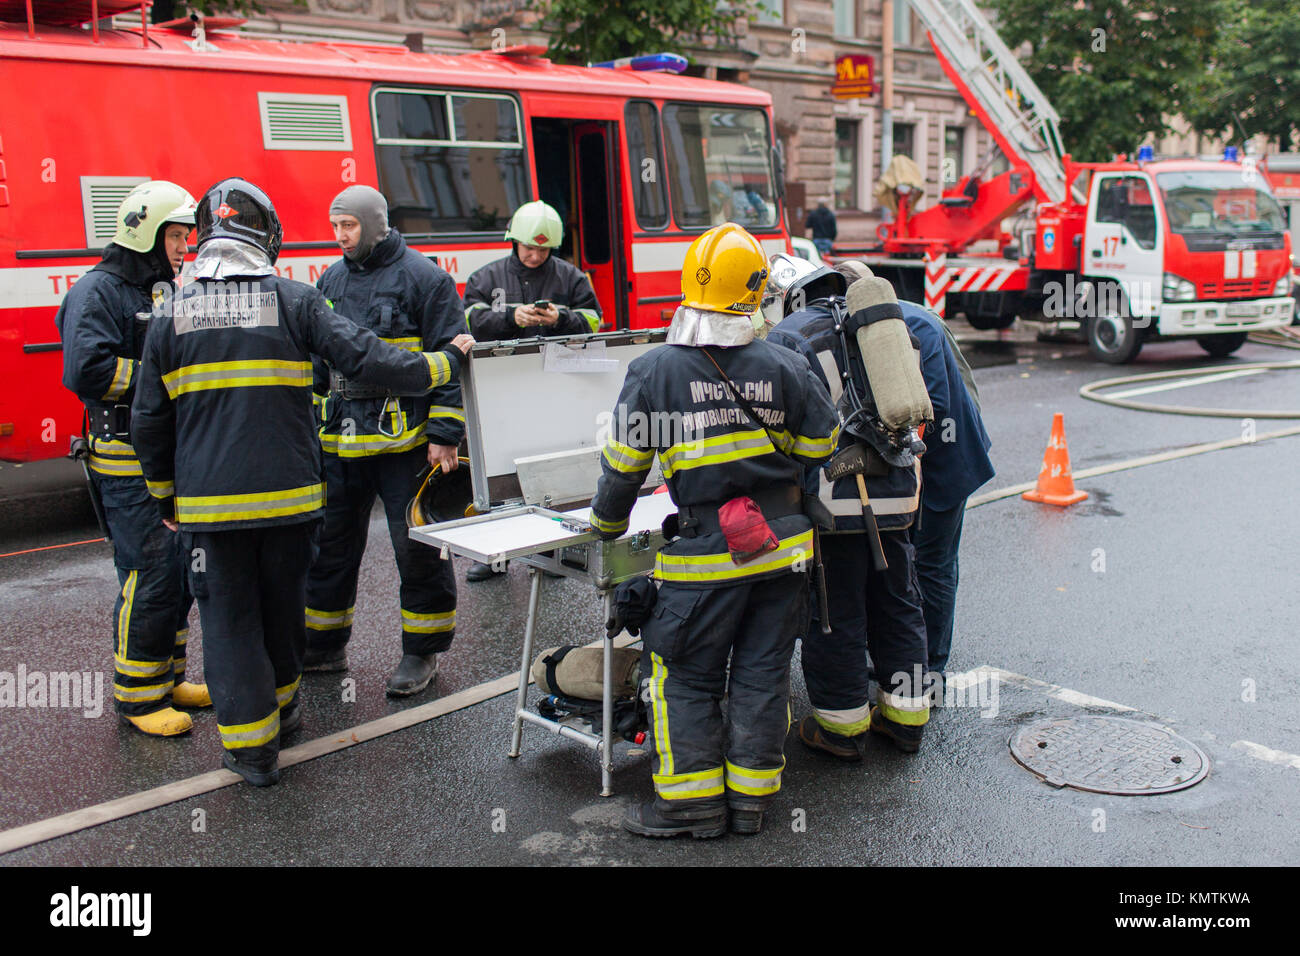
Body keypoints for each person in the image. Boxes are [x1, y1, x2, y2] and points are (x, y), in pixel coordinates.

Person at [131, 178, 473, 786]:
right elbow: (366, 358)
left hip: (212, 511)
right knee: (286, 605)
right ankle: (285, 712)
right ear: (266, 237)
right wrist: (446, 363)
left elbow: (149, 423)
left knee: (231, 620)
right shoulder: (298, 299)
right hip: (292, 500)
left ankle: (253, 752)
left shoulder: (169, 317)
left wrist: (165, 496)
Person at [590, 223, 839, 838]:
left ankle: (688, 805)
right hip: (785, 552)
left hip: (705, 559)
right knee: (762, 673)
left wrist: (604, 525)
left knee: (686, 675)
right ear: (755, 291)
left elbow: (623, 468)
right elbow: (821, 445)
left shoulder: (653, 371)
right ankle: (751, 803)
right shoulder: (787, 362)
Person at [55, 180, 210, 737]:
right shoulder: (98, 292)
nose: (182, 246)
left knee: (178, 573)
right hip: (123, 464)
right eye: (174, 235)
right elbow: (87, 371)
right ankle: (138, 697)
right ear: (144, 232)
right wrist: (161, 381)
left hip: (165, 458)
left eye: (185, 236)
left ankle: (168, 678)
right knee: (150, 574)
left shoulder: (161, 288)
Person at [302, 185, 466, 697]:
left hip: (406, 445)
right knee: (328, 547)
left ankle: (422, 651)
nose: (340, 236)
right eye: (335, 227)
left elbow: (453, 361)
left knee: (416, 548)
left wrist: (444, 434)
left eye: (348, 226)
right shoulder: (329, 279)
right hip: (339, 444)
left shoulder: (427, 279)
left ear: (375, 224)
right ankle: (324, 646)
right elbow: (316, 368)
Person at [765, 257, 932, 761]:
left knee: (835, 611)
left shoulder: (792, 337)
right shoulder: (889, 329)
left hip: (834, 502)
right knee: (898, 603)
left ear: (791, 296)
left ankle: (841, 731)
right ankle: (906, 721)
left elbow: (784, 434)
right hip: (900, 493)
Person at [835, 261, 994, 690]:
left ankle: (931, 670)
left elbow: (934, 407)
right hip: (926, 461)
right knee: (907, 567)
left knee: (934, 564)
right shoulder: (881, 323)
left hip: (948, 460)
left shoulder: (906, 327)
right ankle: (905, 662)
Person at [461, 199, 602, 581]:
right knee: (496, 473)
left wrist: (562, 319)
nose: (536, 255)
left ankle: (554, 547)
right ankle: (494, 554)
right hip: (500, 394)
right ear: (513, 242)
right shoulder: (486, 278)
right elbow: (468, 320)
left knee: (552, 471)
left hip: (552, 392)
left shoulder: (571, 278)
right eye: (529, 247)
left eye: (543, 249)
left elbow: (594, 320)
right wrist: (510, 317)